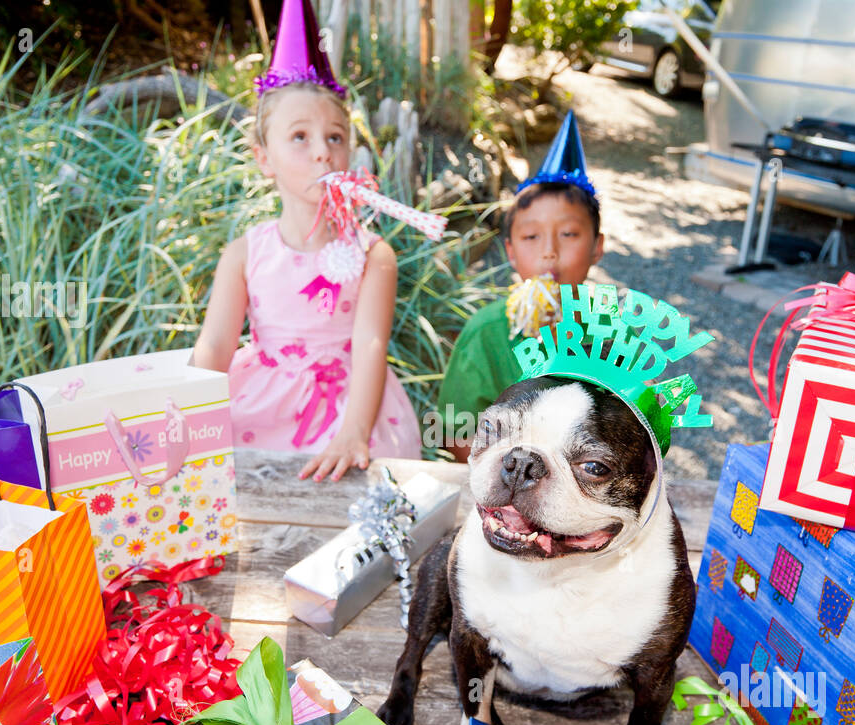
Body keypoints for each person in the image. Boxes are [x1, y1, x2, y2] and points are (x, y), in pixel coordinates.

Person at [191, 0, 422, 482]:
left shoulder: (373, 255)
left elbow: (370, 344)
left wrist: (354, 430)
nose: (322, 151)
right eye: (299, 136)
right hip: (261, 405)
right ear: (264, 157)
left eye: (336, 137)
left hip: (349, 405)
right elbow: (213, 347)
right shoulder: (244, 255)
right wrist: (190, 424)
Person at [435, 111, 604, 463]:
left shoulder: (612, 330)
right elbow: (453, 434)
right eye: (531, 236)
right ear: (510, 251)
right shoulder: (486, 332)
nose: (549, 251)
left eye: (569, 234)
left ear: (597, 246)